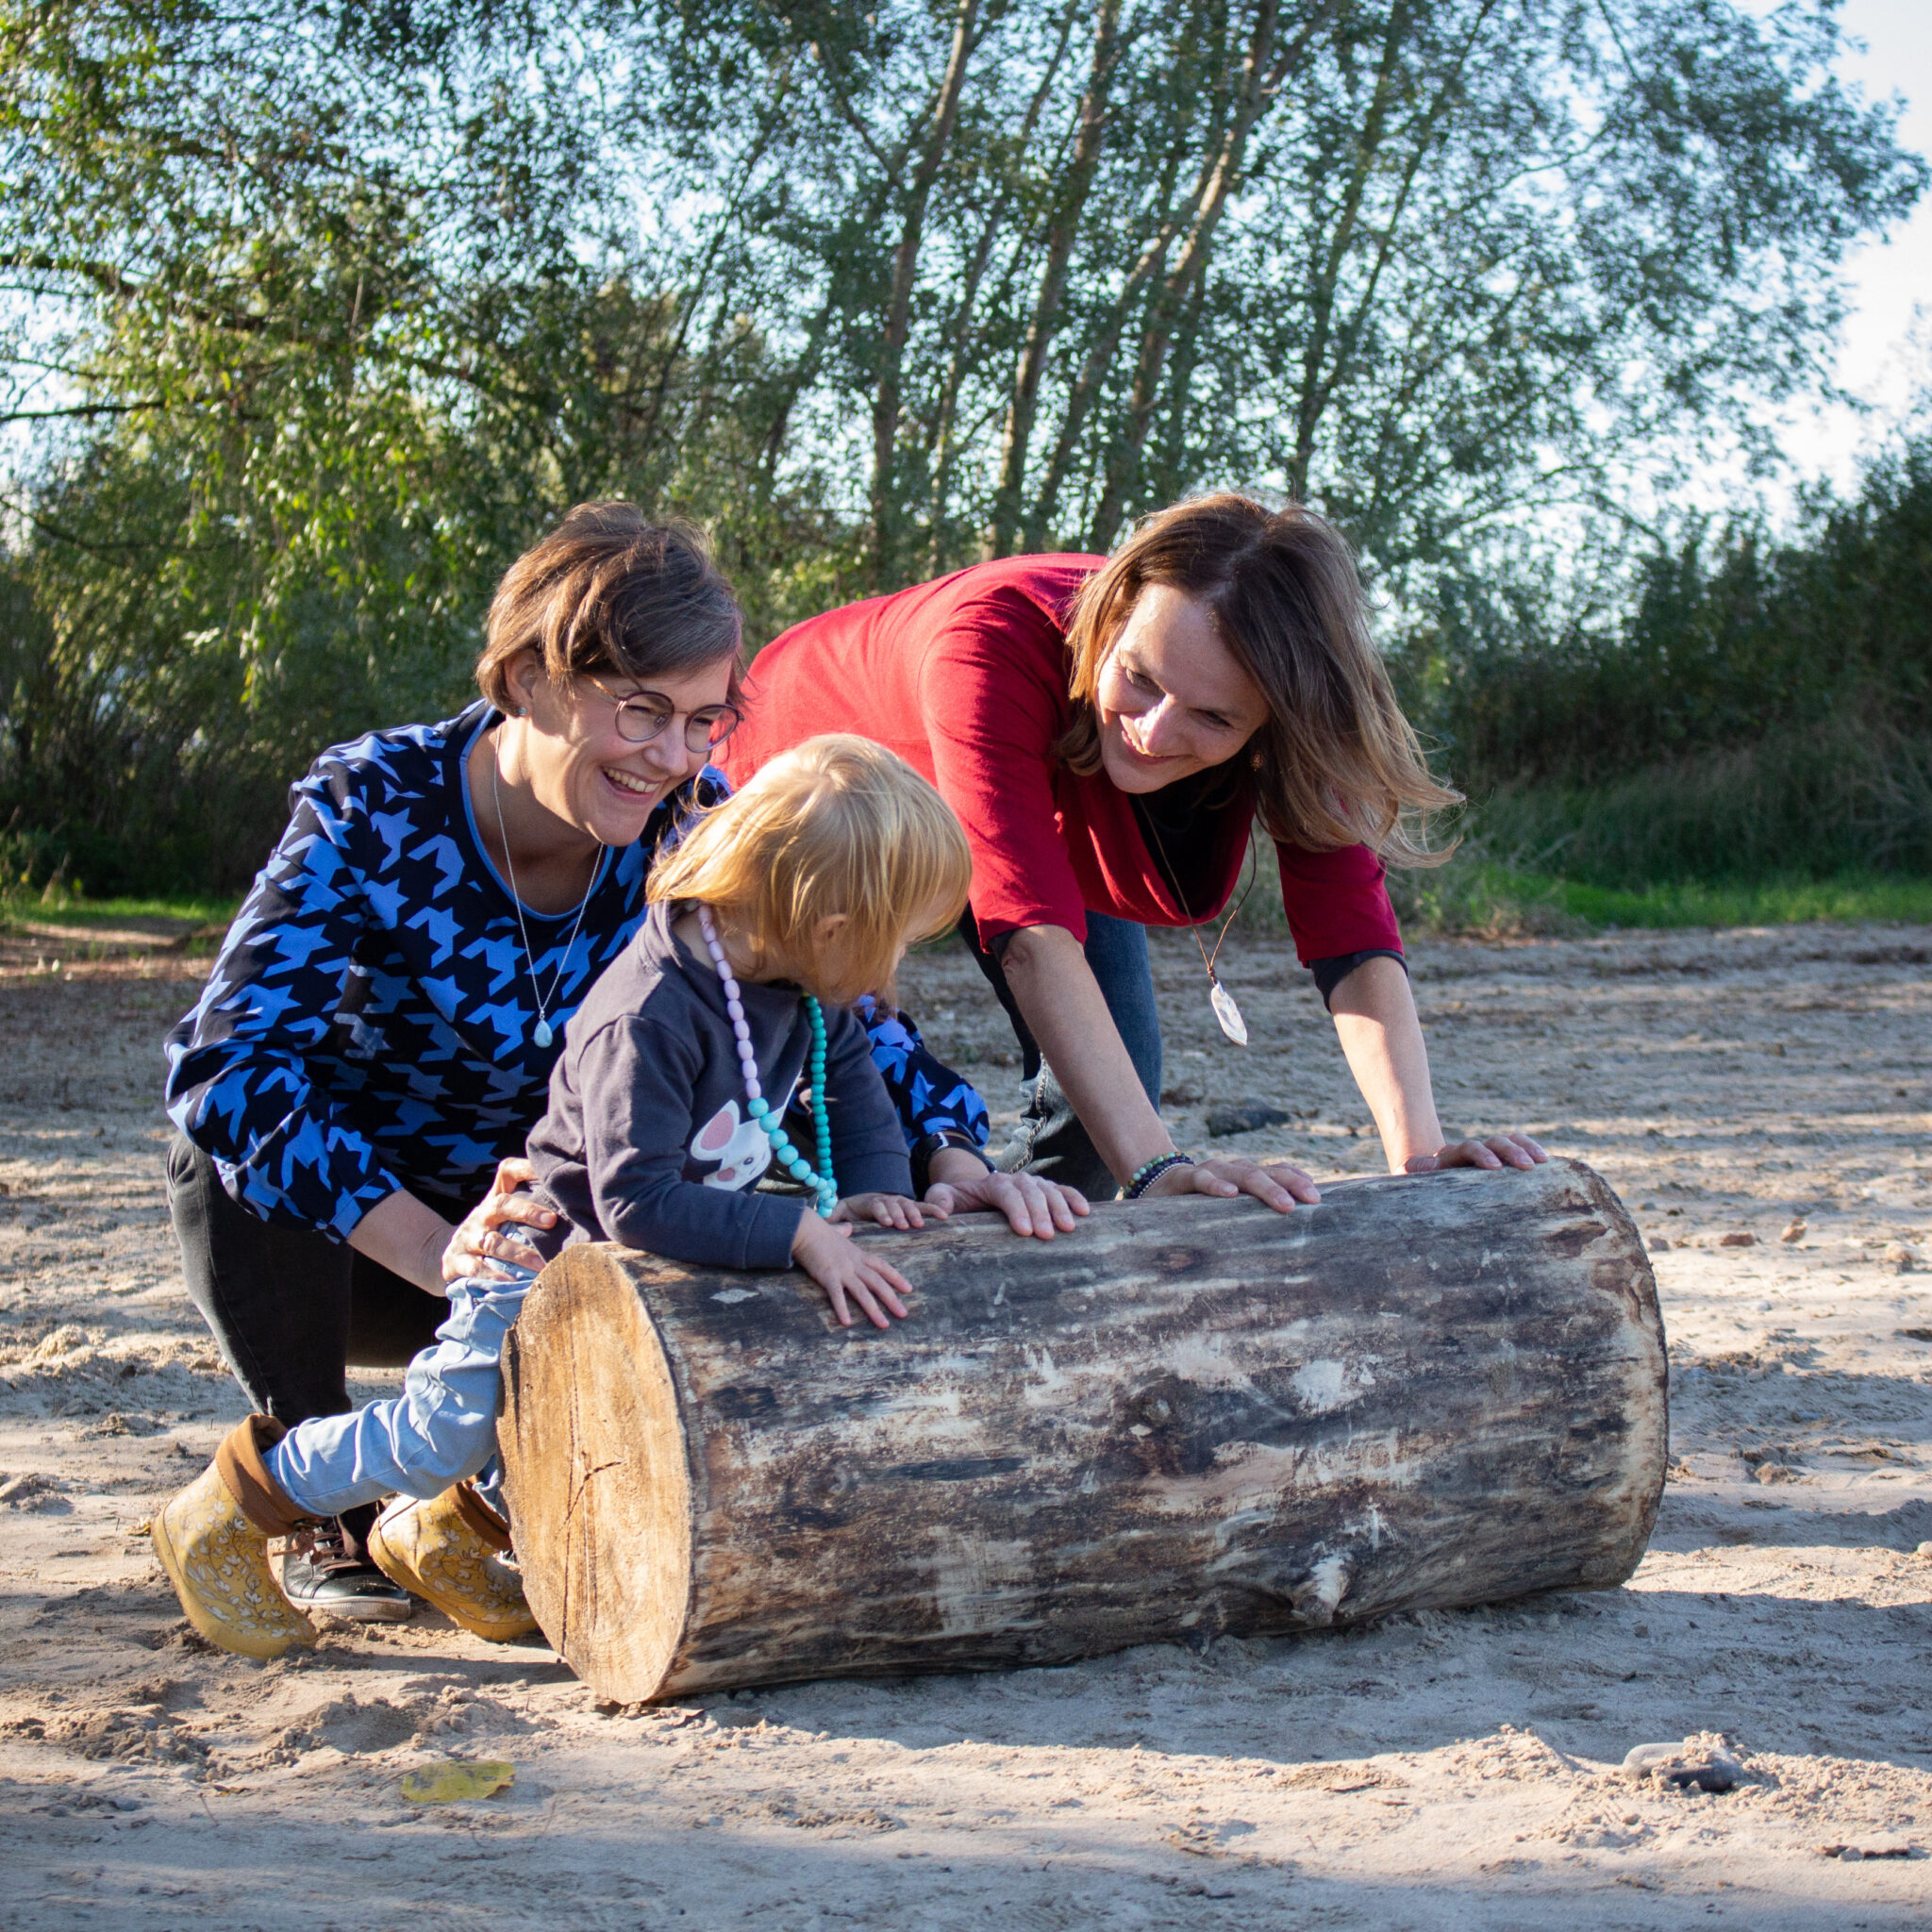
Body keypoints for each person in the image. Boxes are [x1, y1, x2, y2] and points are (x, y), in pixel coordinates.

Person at [161, 506, 1050, 1627]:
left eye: (703, 719)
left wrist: (949, 1152)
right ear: (528, 680)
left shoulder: (699, 830)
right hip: (375, 1249)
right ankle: (305, 1480)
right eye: (641, 711)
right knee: (223, 1150)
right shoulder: (373, 803)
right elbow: (229, 1068)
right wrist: (440, 1250)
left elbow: (848, 1014)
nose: (674, 756)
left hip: (585, 1218)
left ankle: (469, 1515)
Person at [724, 493, 1545, 1206]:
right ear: (1115, 612)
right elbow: (1031, 937)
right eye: (1142, 677)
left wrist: (1420, 1154)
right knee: (809, 1091)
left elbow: (1353, 937)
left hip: (1055, 798)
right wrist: (1158, 1170)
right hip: (816, 789)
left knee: (1102, 1121)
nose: (1152, 732)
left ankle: (1007, 1272)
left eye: (1213, 717)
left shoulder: (1294, 718)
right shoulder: (992, 642)